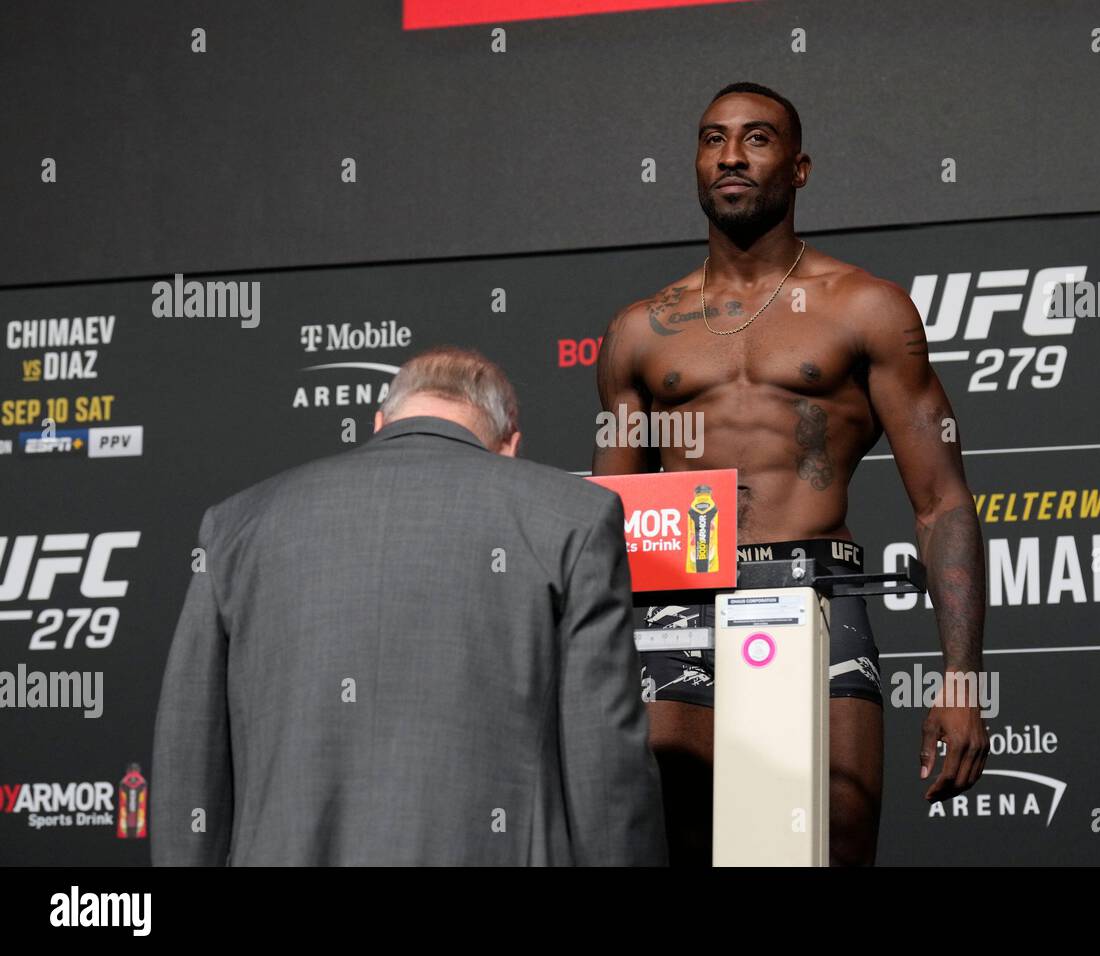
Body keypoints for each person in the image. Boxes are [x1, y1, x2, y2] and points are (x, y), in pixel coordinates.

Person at [593, 82, 989, 865]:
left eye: (757, 138)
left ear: (799, 167)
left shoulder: (865, 308)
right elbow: (612, 522)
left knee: (829, 842)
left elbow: (943, 501)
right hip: (678, 603)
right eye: (713, 140)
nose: (731, 156)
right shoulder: (639, 331)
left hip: (814, 591)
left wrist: (962, 679)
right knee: (667, 842)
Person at [153, 345, 667, 865]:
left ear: (380, 422)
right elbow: (605, 765)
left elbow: (189, 757)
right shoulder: (573, 517)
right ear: (511, 445)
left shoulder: (238, 525)